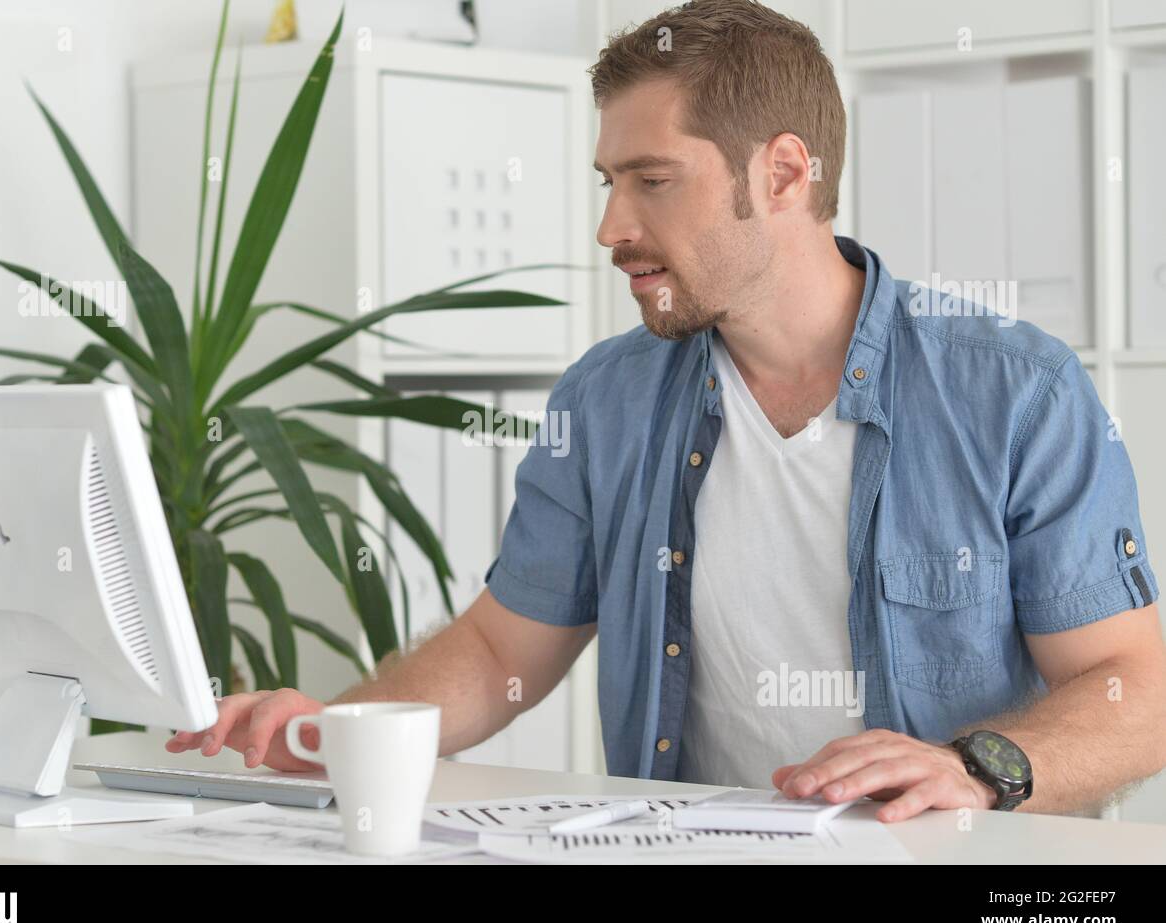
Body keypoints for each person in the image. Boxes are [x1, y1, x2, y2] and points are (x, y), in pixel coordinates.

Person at [169, 0, 1166, 821]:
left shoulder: (1011, 391)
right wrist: (333, 730)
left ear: (781, 173)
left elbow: (1136, 687)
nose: (611, 226)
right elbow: (496, 650)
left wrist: (976, 765)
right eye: (610, 182)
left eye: (652, 181)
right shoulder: (606, 399)